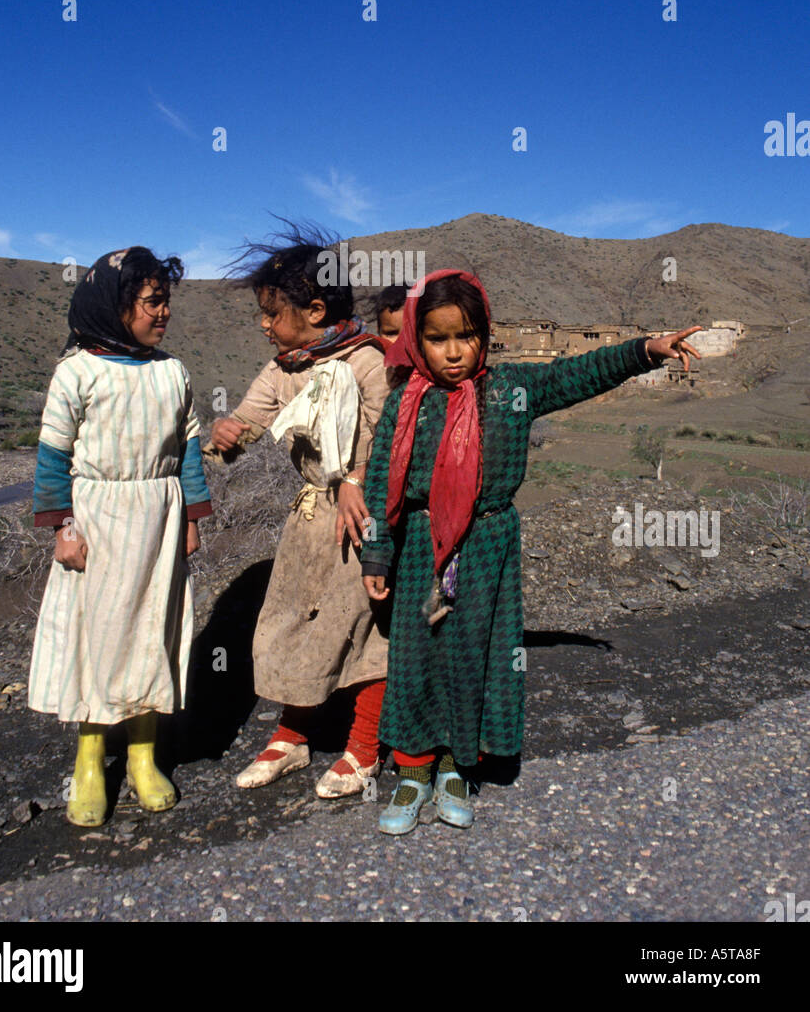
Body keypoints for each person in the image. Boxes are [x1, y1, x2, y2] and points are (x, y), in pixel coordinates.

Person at [361, 269, 701, 835]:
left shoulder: (511, 391)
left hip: (488, 544)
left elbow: (581, 371)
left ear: (485, 334)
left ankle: (454, 767)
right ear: (416, 340)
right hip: (420, 546)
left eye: (465, 336)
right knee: (417, 657)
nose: (452, 353)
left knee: (473, 653)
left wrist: (645, 350)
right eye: (437, 338)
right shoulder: (405, 404)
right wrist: (377, 555)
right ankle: (412, 770)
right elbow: (379, 483)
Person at [28, 247, 212, 826]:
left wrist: (190, 520)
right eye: (153, 302)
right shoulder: (77, 372)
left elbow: (186, 451)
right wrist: (63, 526)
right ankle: (89, 759)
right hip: (98, 520)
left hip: (158, 517)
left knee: (151, 631)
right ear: (115, 305)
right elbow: (53, 457)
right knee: (98, 637)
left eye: (166, 302)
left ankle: (141, 755)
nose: (164, 314)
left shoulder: (172, 371)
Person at [206, 223, 389, 798]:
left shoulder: (367, 363)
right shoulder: (283, 368)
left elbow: (394, 441)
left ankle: (363, 748)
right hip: (310, 519)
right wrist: (226, 435)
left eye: (272, 313)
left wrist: (360, 478)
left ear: (314, 310)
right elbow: (246, 426)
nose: (264, 324)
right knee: (289, 623)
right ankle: (293, 733)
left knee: (363, 632)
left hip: (363, 520)